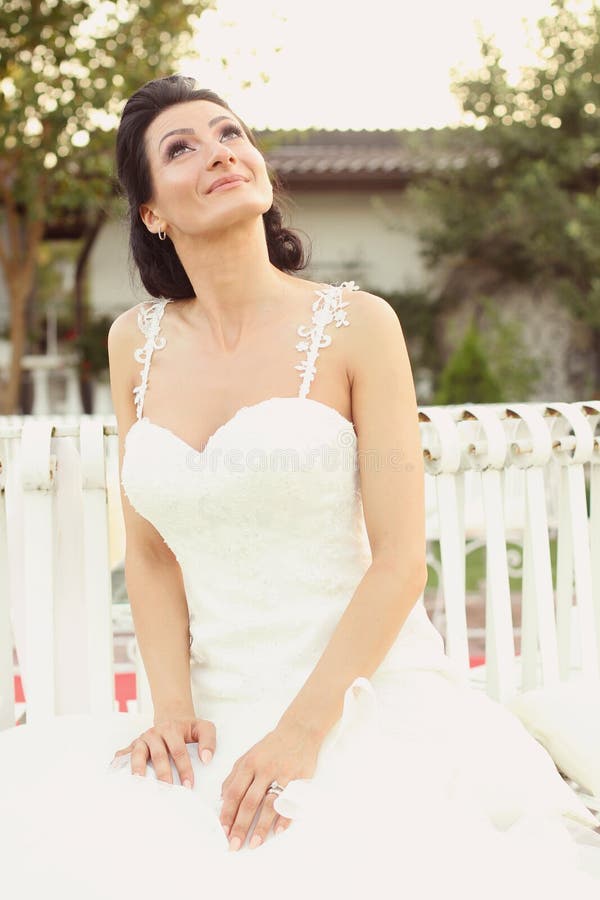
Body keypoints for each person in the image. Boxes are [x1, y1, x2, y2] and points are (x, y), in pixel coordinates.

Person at [1, 73, 599, 899]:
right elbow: (149, 552)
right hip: (215, 699)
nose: (219, 153)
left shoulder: (358, 324)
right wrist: (169, 713)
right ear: (152, 213)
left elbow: (399, 562)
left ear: (262, 171)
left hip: (359, 698)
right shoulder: (131, 342)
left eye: (230, 135)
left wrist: (300, 735)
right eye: (181, 148)